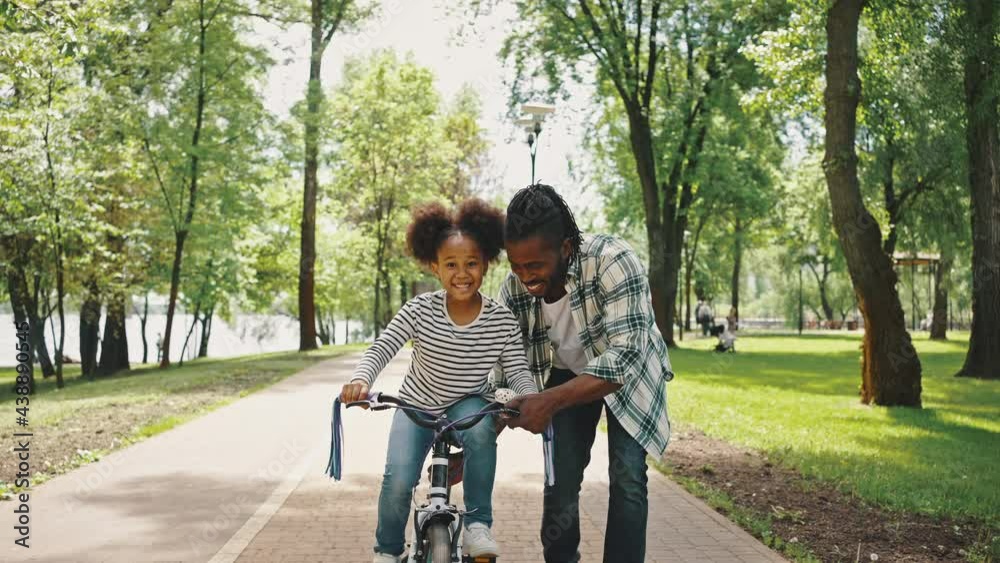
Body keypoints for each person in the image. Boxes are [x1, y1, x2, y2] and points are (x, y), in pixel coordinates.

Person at [339, 199, 537, 563]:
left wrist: (529, 398)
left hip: (467, 406)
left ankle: (478, 525)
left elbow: (518, 370)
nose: (462, 273)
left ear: (486, 264)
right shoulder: (419, 310)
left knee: (481, 429)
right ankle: (388, 550)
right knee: (398, 479)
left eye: (471, 263)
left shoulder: (502, 321)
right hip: (416, 405)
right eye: (451, 265)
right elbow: (382, 347)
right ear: (435, 267)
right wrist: (361, 379)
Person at [495, 184, 673, 563]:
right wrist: (481, 434)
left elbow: (624, 359)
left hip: (627, 374)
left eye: (534, 265)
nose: (525, 277)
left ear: (565, 248)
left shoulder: (613, 261)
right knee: (559, 480)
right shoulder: (513, 289)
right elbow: (500, 366)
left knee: (626, 477)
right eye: (516, 265)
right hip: (565, 373)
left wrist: (548, 400)